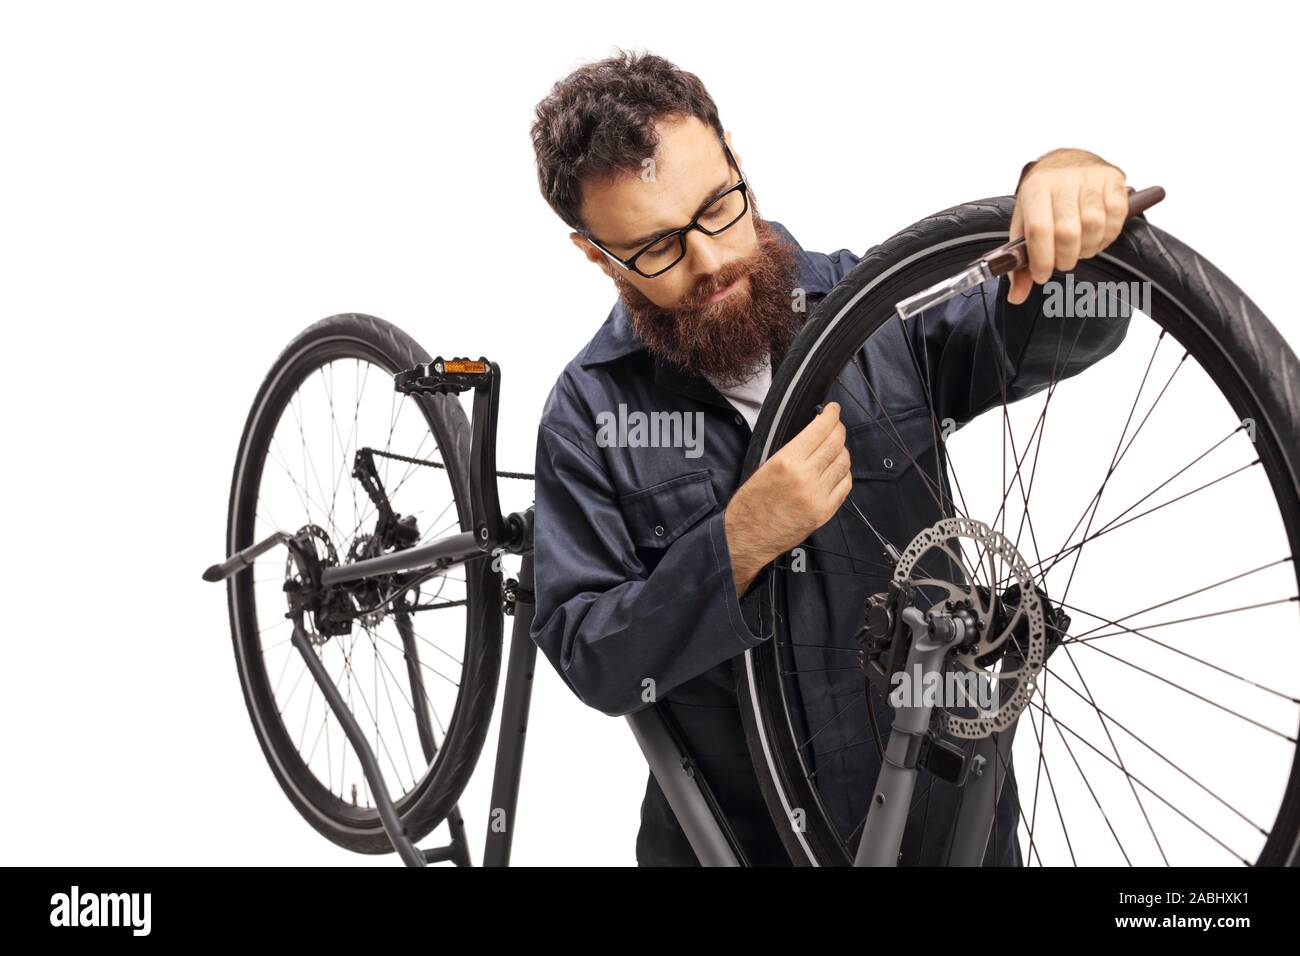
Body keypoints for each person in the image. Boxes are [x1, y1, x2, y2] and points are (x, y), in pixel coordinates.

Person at [527, 49, 1134, 865]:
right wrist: (737, 544)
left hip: (944, 831)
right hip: (742, 846)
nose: (710, 262)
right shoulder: (588, 416)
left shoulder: (876, 310)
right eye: (656, 249)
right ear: (596, 255)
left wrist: (1071, 196)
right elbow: (590, 654)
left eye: (717, 209)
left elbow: (1054, 324)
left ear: (736, 157)